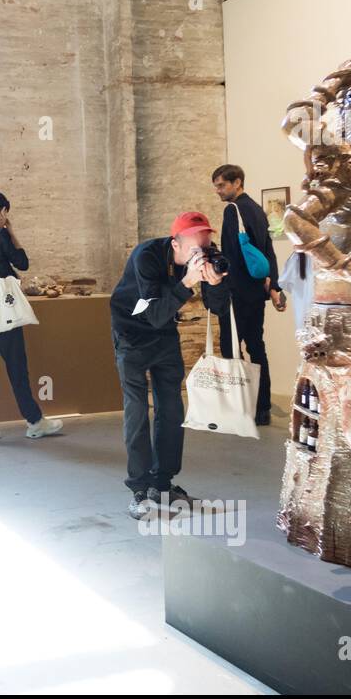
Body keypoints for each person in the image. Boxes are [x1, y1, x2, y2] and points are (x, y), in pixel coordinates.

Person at [110, 211, 226, 519]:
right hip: (132, 333)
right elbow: (154, 314)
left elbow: (218, 305)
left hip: (163, 337)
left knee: (172, 409)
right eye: (195, 247)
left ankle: (162, 485)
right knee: (136, 410)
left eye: (206, 243)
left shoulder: (206, 256)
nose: (201, 252)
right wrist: (188, 281)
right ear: (176, 244)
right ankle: (138, 489)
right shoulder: (146, 256)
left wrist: (213, 281)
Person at [0, 192, 63, 442]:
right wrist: (12, 231)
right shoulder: (0, 235)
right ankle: (35, 421)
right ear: (4, 211)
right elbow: (23, 262)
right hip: (2, 310)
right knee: (17, 367)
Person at [210, 165, 284, 426]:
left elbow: (231, 257)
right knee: (257, 347)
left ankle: (240, 407)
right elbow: (268, 250)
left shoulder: (233, 211)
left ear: (237, 182)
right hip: (254, 293)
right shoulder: (256, 209)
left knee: (232, 351)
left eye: (221, 185)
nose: (218, 191)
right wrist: (273, 286)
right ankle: (261, 409)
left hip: (236, 294)